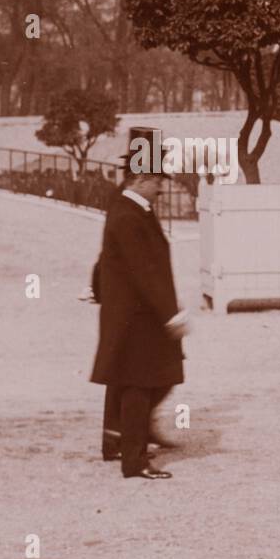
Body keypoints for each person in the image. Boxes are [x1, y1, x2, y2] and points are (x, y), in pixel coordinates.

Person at [91, 128, 188, 480]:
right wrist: (171, 314)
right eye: (158, 179)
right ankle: (134, 459)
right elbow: (146, 271)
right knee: (142, 384)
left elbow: (108, 257)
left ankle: (116, 440)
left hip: (130, 313)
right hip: (139, 316)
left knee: (129, 379)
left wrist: (99, 286)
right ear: (143, 178)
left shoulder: (126, 207)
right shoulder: (130, 215)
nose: (162, 187)